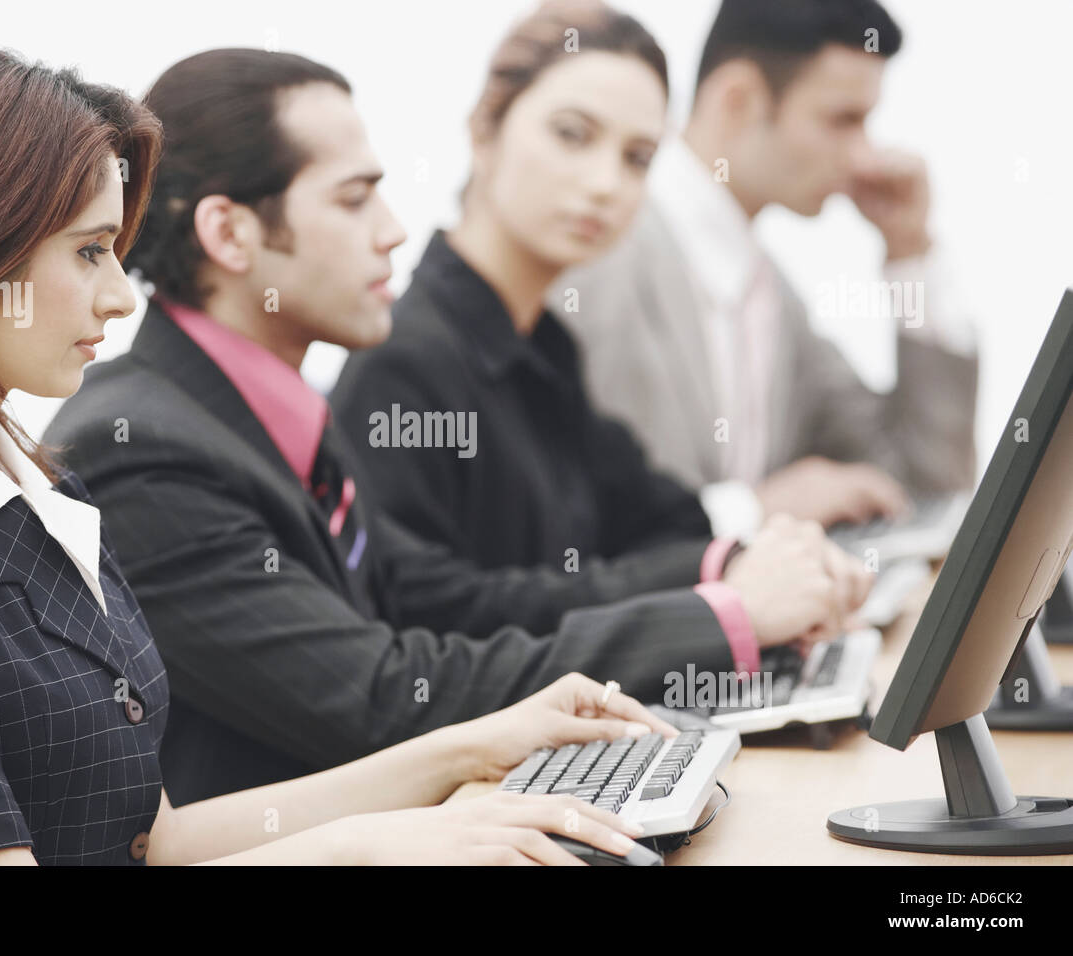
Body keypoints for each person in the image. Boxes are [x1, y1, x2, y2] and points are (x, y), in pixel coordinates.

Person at [0, 48, 679, 867]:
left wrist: (476, 748)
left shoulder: (39, 493)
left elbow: (157, 839)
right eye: (90, 252)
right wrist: (366, 849)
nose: (121, 297)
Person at [45, 35, 866, 806]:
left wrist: (727, 578)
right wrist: (726, 618)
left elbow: (440, 600)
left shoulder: (268, 415)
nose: (395, 231)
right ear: (229, 232)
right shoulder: (146, 449)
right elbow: (378, 692)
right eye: (355, 198)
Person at [329, 2, 869, 605]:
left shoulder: (546, 352)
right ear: (485, 129)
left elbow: (655, 520)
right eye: (572, 134)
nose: (605, 184)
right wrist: (721, 601)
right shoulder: (404, 362)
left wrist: (763, 559)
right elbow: (428, 614)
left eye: (637, 158)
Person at [548, 0, 978, 536]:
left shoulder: (774, 297)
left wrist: (911, 252)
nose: (864, 156)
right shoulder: (592, 249)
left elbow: (923, 481)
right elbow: (561, 519)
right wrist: (753, 509)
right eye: (844, 120)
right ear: (739, 100)